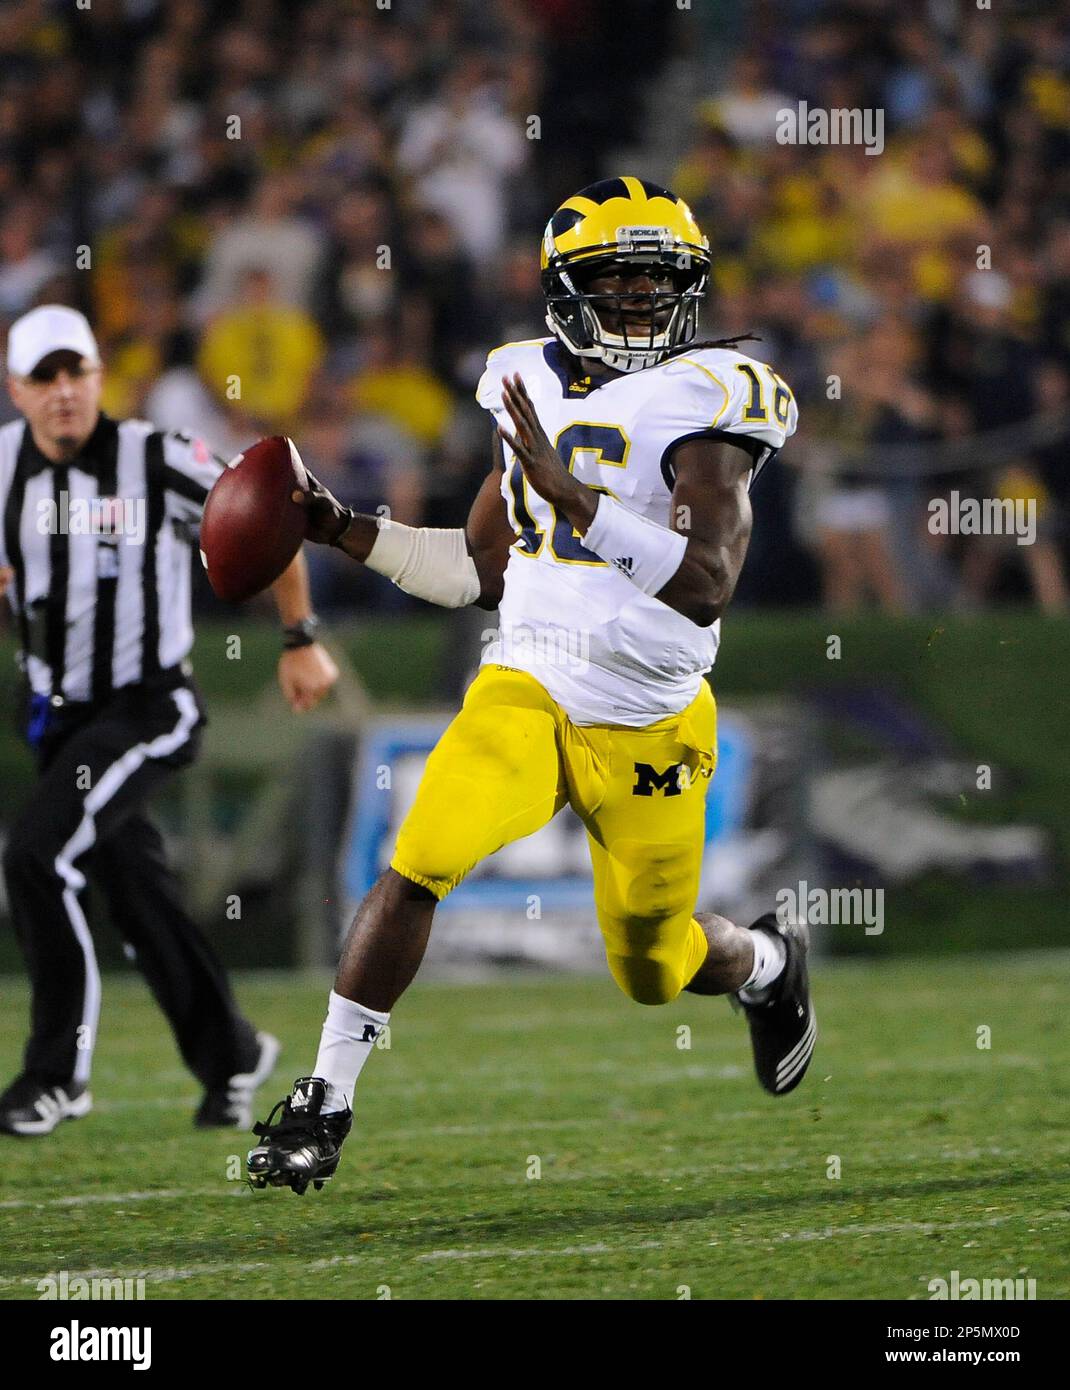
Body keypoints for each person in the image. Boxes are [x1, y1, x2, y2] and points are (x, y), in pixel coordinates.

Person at [247, 178, 814, 1195]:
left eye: (657, 280)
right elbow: (477, 570)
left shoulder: (716, 392)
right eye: (616, 280)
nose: (640, 300)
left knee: (651, 967)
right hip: (525, 682)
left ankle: (767, 965)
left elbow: (703, 584)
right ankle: (323, 1102)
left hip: (649, 721)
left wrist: (579, 500)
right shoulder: (520, 379)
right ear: (563, 290)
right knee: (420, 854)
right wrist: (342, 528)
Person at [0, 304, 338, 1136]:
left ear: (98, 377)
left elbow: (268, 512)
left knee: (37, 857)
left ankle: (56, 1075)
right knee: (138, 895)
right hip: (54, 718)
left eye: (75, 371)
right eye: (44, 377)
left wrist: (299, 639)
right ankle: (230, 1051)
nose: (64, 391)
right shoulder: (3, 466)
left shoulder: (153, 456)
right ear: (16, 389)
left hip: (147, 705)